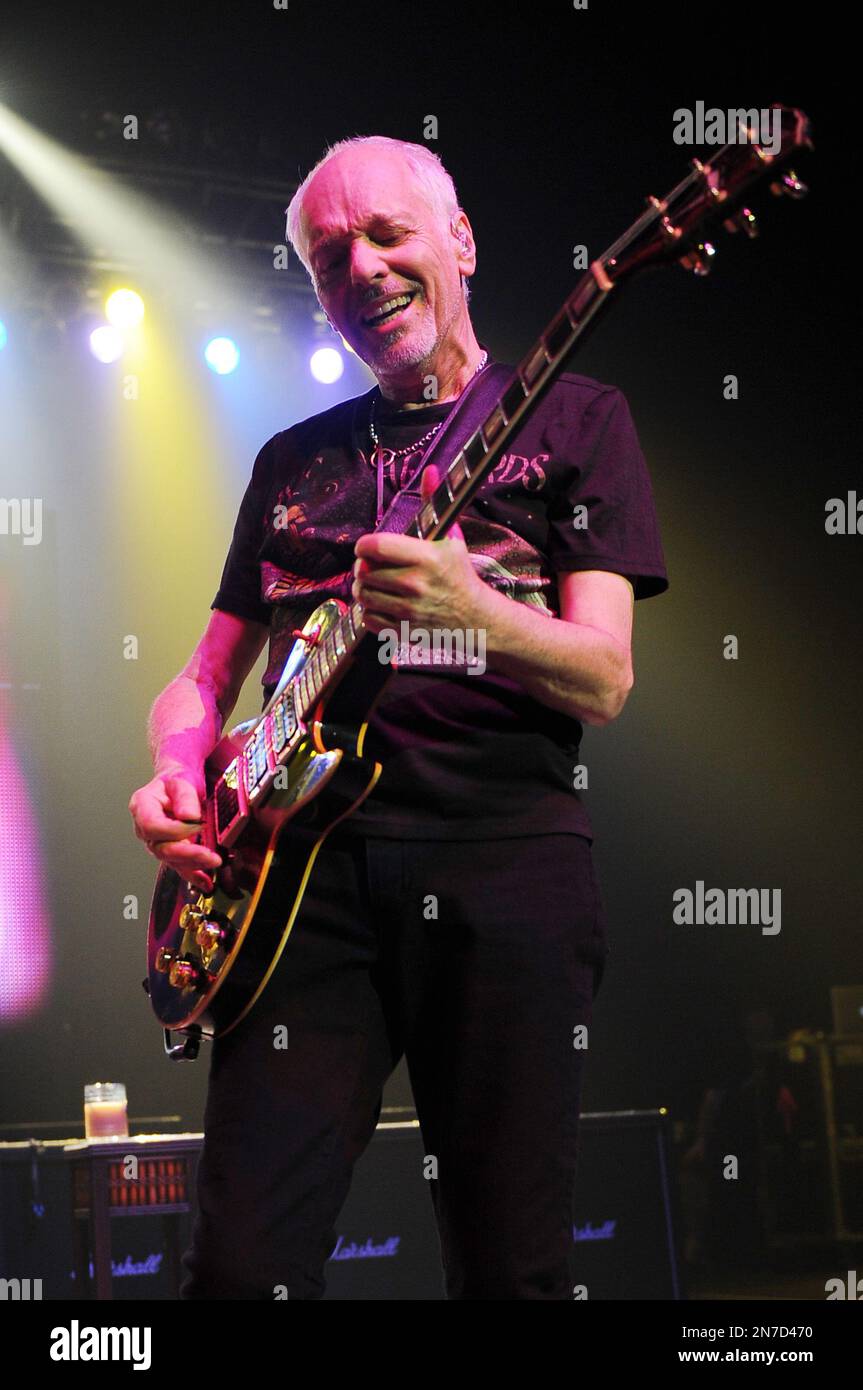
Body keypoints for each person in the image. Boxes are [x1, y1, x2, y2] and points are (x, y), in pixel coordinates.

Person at [128, 135, 668, 1300]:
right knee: (239, 1264)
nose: (360, 269)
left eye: (385, 234)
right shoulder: (288, 463)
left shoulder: (576, 420)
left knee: (507, 1267)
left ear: (459, 241)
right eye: (329, 257)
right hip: (296, 891)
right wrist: (176, 767)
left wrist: (479, 614)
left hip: (502, 864)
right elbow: (199, 679)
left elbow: (604, 679)